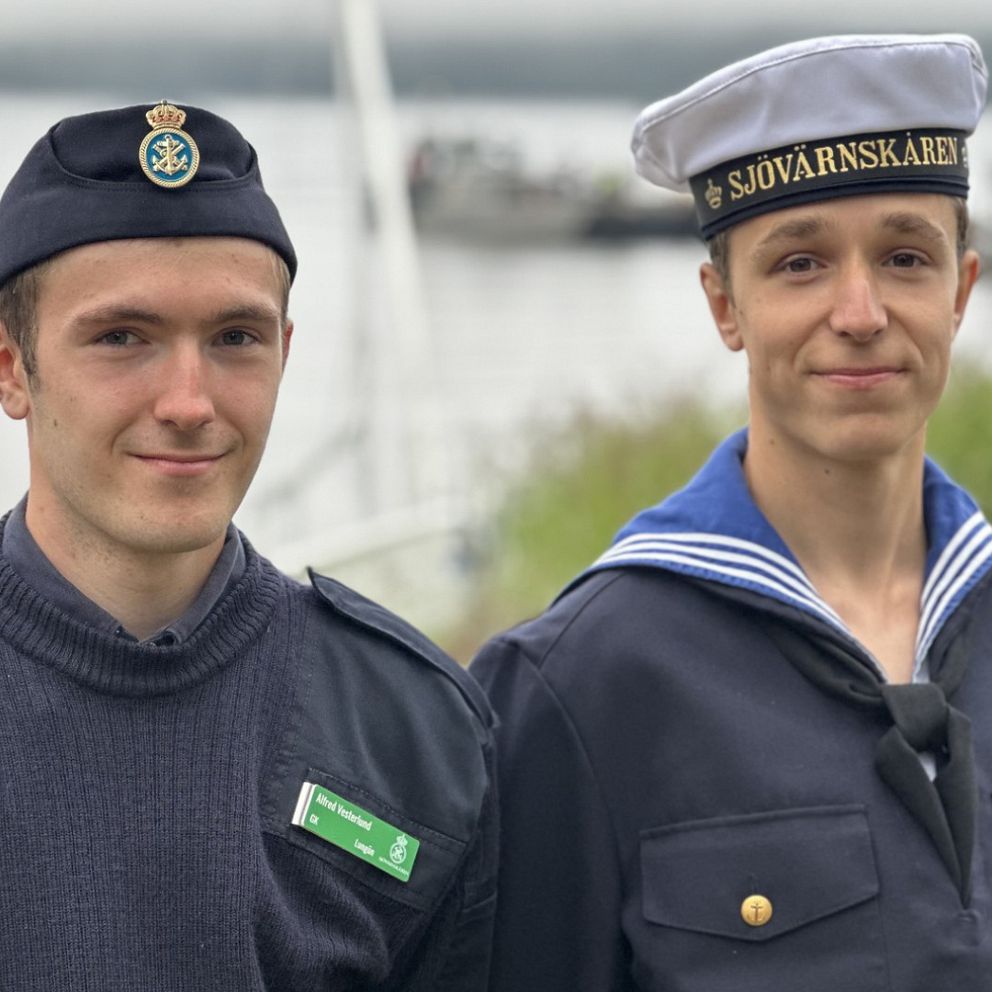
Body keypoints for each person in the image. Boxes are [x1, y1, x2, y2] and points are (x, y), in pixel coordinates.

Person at [471, 33, 991, 991]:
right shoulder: (583, 683)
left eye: (905, 255)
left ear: (960, 290)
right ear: (724, 306)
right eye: (800, 264)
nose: (862, 310)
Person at [0, 102, 496, 990]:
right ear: (10, 366)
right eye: (123, 338)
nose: (189, 403)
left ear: (285, 352)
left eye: (235, 339)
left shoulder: (414, 730)